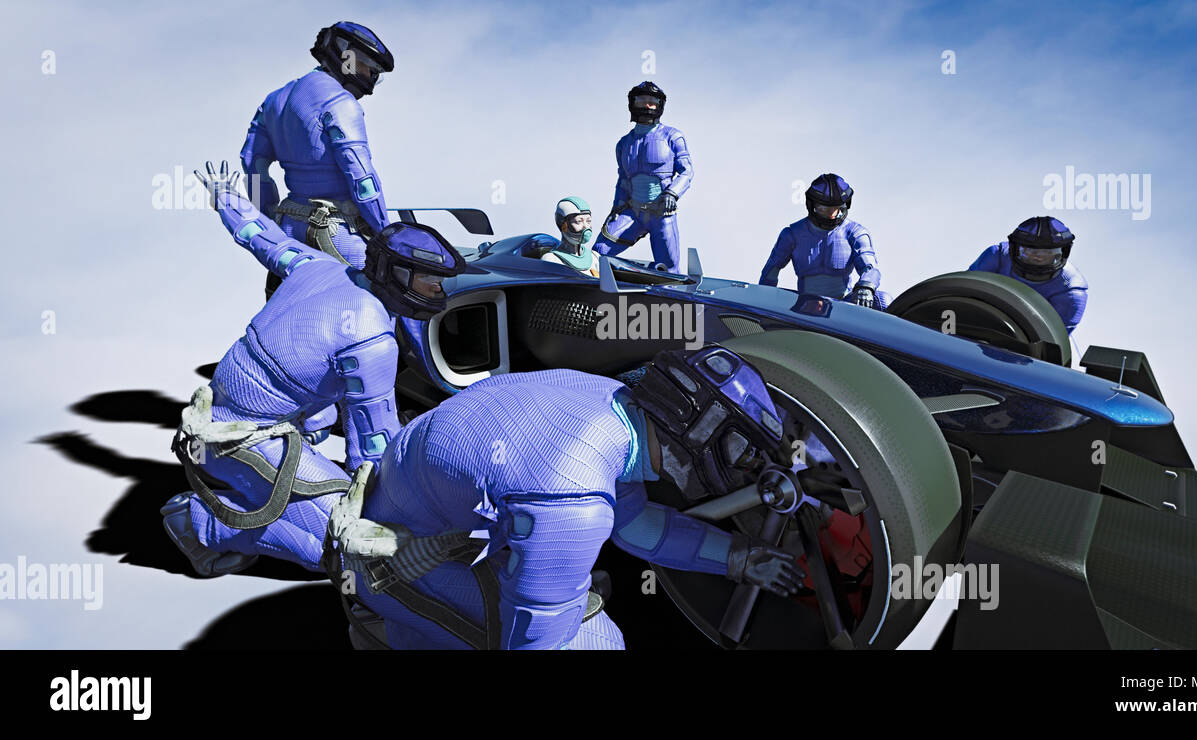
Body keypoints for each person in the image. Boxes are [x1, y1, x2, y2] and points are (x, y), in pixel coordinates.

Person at [324, 346, 804, 649]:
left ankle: (395, 634)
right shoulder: (572, 501)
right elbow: (533, 639)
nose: (747, 468)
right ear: (696, 432)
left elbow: (635, 525)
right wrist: (563, 598)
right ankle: (387, 623)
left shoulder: (608, 407)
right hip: (396, 566)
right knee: (595, 643)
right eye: (738, 451)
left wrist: (737, 558)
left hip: (405, 521)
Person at [161, 162, 464, 576]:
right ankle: (198, 523)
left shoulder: (320, 266)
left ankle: (246, 498)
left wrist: (225, 198)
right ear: (398, 275)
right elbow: (373, 447)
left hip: (216, 414)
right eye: (431, 280)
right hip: (239, 440)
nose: (439, 291)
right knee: (349, 546)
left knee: (321, 426)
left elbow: (261, 236)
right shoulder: (372, 338)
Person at [239, 21, 394, 286]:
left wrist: (270, 222)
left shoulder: (274, 99)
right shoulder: (340, 102)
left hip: (288, 228)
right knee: (394, 296)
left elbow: (253, 164)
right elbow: (362, 181)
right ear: (347, 57)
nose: (371, 76)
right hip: (336, 231)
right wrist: (386, 235)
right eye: (369, 66)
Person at [592, 82, 693, 273]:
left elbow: (687, 171)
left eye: (652, 102)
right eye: (642, 100)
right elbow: (623, 179)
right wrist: (616, 206)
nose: (647, 106)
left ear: (660, 105)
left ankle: (670, 297)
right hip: (632, 212)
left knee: (669, 270)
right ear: (632, 103)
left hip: (661, 214)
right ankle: (597, 286)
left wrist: (672, 193)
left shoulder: (672, 136)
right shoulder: (624, 143)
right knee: (600, 252)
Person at [759, 174, 891, 309]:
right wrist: (763, 301)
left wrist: (866, 287)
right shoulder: (792, 234)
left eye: (837, 209)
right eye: (824, 209)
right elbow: (771, 270)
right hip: (803, 303)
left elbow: (869, 268)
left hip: (844, 304)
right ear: (811, 205)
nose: (831, 215)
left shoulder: (855, 233)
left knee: (883, 301)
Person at [968, 216, 1088, 333]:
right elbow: (966, 293)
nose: (1038, 256)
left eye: (1048, 251)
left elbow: (1052, 339)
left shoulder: (1071, 291)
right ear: (1013, 248)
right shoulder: (996, 256)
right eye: (1030, 249)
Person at [535, 196, 599, 277]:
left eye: (588, 221)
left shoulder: (595, 257)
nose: (586, 226)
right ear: (563, 224)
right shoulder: (551, 260)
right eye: (578, 221)